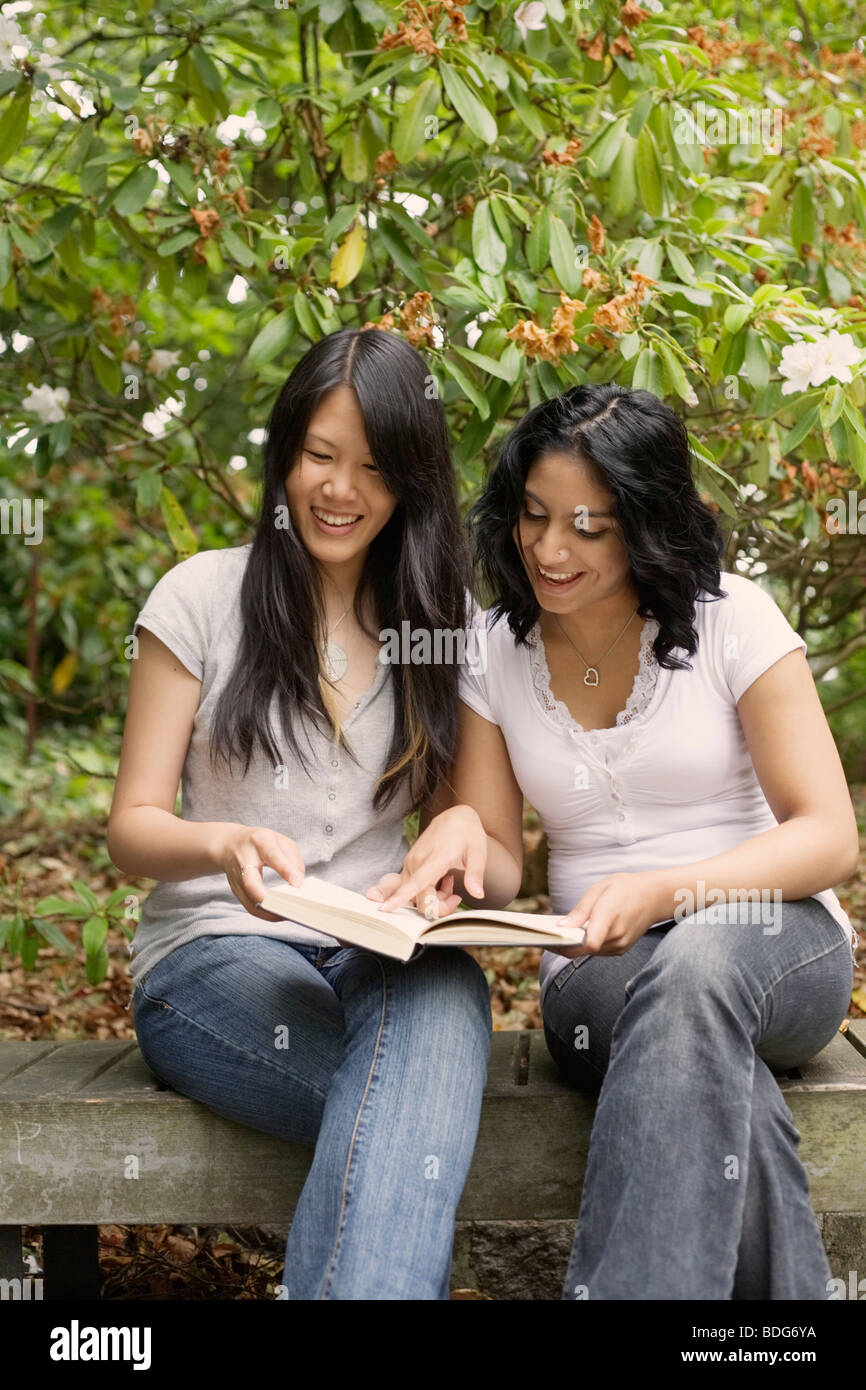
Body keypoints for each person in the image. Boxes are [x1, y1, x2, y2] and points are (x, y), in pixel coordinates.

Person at [369, 382, 859, 1300]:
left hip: (776, 936)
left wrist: (666, 892)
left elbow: (830, 840)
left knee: (698, 964)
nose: (550, 550)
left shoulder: (732, 619)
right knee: (705, 1047)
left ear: (647, 520)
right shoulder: (492, 650)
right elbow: (506, 867)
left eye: (588, 528)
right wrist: (461, 830)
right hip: (596, 969)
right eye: (534, 517)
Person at [107, 327, 492, 1301]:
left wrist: (459, 844)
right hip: (215, 951)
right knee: (412, 1115)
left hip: (375, 947)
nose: (339, 488)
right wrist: (222, 841)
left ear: (409, 480)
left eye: (372, 465)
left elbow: (473, 835)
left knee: (446, 997)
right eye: (320, 454)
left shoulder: (438, 618)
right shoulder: (199, 595)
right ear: (284, 451)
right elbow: (132, 827)